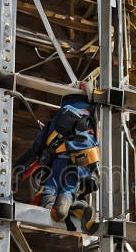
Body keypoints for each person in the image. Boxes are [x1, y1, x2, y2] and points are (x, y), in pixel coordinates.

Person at [15, 91, 99, 232]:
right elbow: (94, 147)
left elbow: (38, 144)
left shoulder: (62, 115)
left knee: (53, 182)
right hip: (82, 160)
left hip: (60, 158)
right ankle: (69, 203)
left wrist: (21, 165)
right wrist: (93, 174)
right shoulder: (91, 124)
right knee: (70, 185)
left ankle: (50, 203)